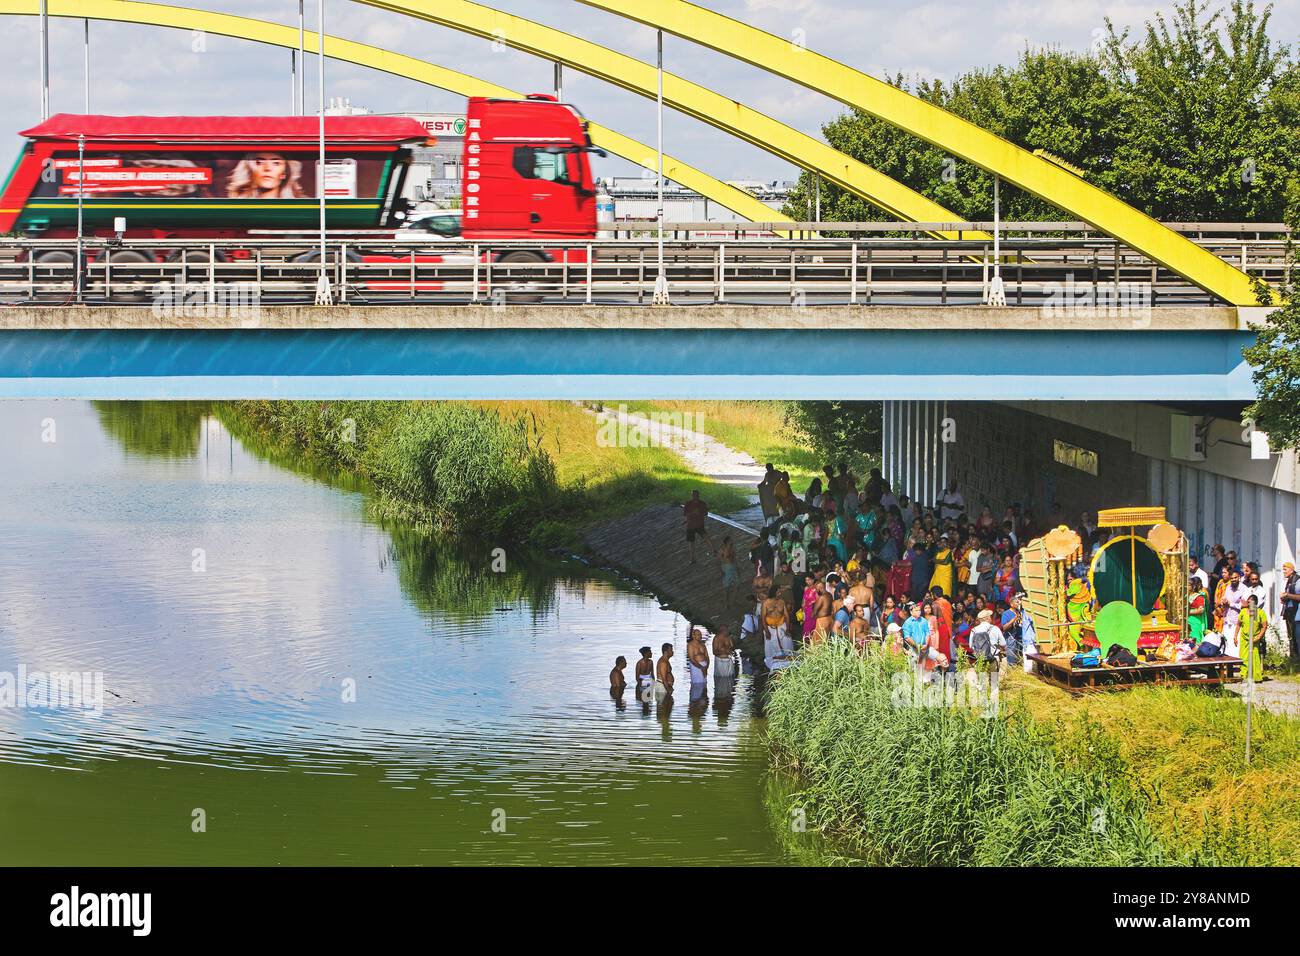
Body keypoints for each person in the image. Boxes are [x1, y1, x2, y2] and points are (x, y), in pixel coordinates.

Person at [1237, 594, 1268, 681]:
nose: (1249, 603)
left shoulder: (1260, 612)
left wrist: (1259, 637)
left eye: (1251, 602)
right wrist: (1235, 636)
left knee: (1254, 657)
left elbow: (1264, 626)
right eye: (1248, 601)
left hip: (1254, 639)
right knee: (1244, 657)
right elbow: (1238, 624)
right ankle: (1244, 675)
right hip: (1244, 638)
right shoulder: (1243, 612)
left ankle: (1256, 677)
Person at [683, 490, 713, 563]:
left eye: (695, 495)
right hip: (693, 525)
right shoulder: (690, 504)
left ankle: (713, 551)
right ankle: (692, 558)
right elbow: (686, 514)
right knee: (694, 541)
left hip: (696, 524)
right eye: (694, 495)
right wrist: (694, 513)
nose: (695, 496)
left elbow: (705, 513)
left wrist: (698, 513)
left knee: (703, 538)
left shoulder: (695, 503)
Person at [1281, 561, 1300, 661]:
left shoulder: (1297, 581)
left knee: (1295, 635)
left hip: (1295, 611)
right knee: (1290, 636)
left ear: (1291, 570)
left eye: (1285, 569)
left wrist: (1287, 595)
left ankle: (1296, 658)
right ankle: (1292, 658)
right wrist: (1284, 599)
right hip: (1288, 611)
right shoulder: (1289, 581)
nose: (1283, 571)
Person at [717, 535, 739, 602]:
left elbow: (734, 559)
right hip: (726, 569)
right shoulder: (722, 550)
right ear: (727, 542)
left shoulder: (732, 550)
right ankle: (727, 603)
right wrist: (720, 571)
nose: (732, 541)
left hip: (733, 567)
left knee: (737, 585)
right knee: (726, 588)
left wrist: (737, 568)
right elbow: (717, 561)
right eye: (730, 540)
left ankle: (734, 600)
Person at [1187, 577, 1208, 645]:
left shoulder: (1199, 597)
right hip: (1187, 621)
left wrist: (1187, 612)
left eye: (1188, 585)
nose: (1186, 587)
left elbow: (1200, 610)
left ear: (1193, 586)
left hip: (1195, 621)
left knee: (1195, 640)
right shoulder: (1186, 596)